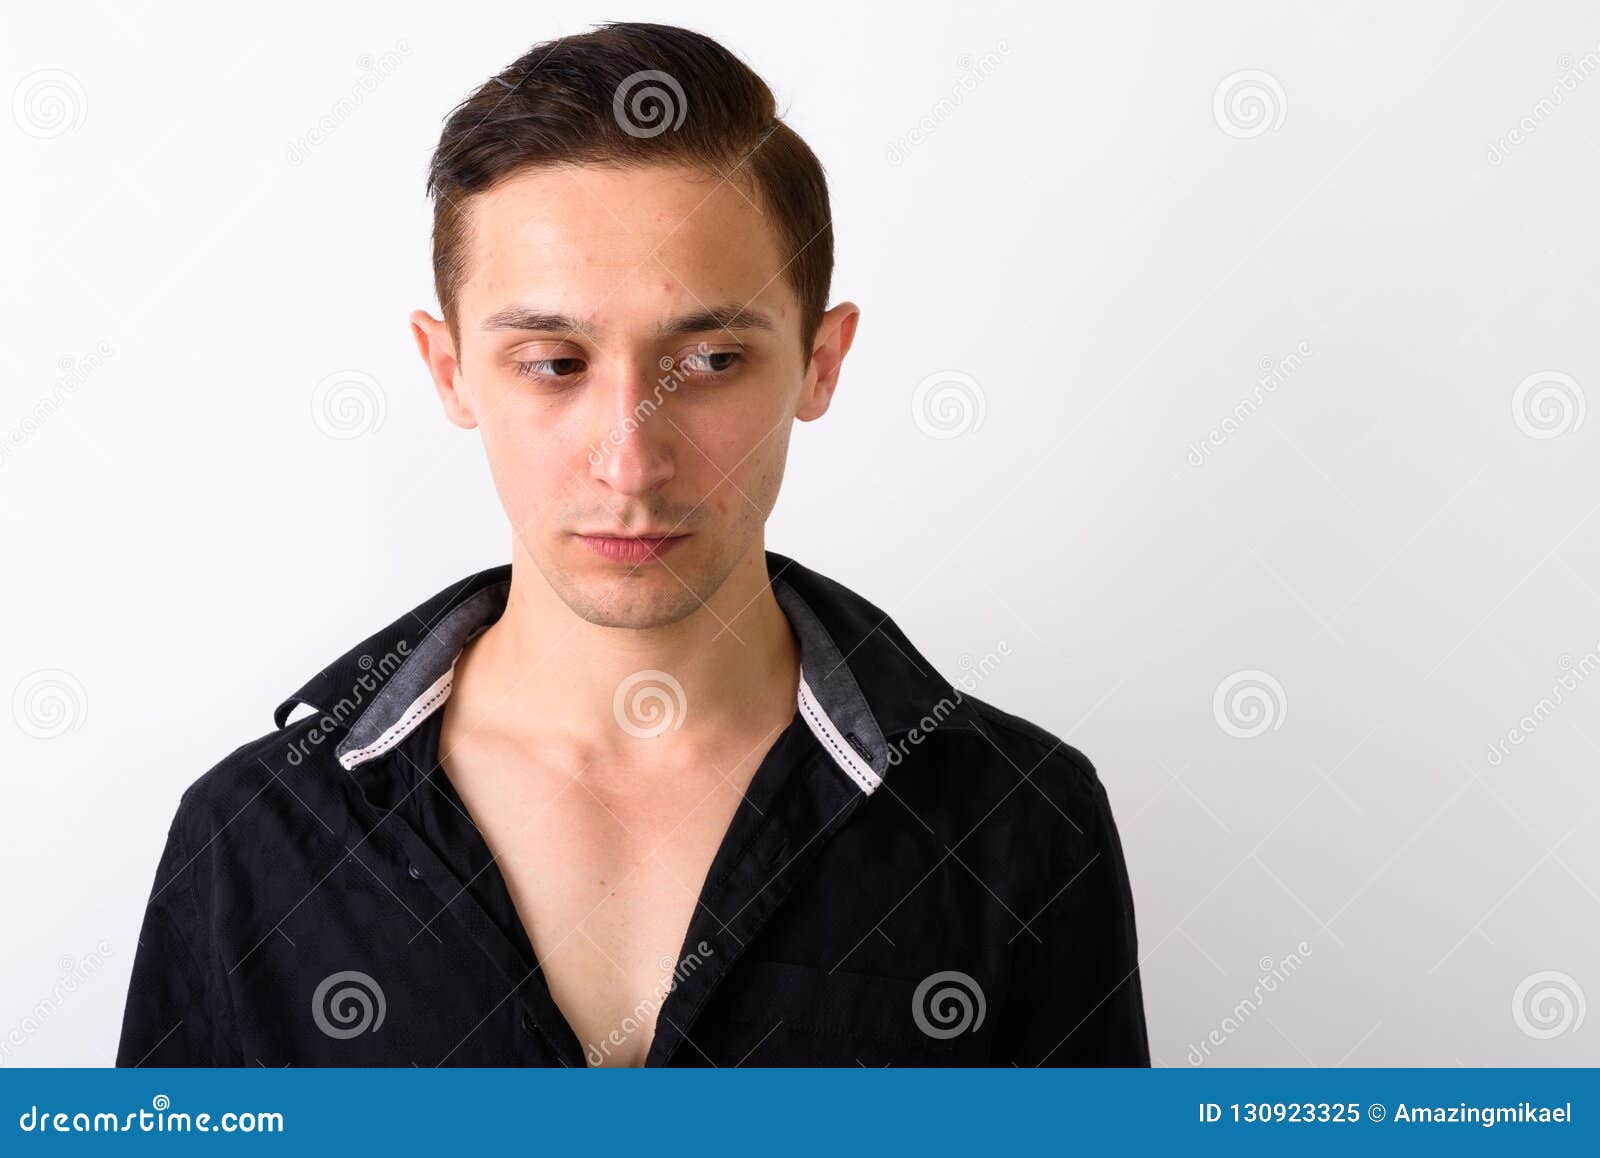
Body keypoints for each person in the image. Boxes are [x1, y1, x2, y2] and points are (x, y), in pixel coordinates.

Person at [117, 21, 1149, 1067]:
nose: (630, 459)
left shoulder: (1020, 822)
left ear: (820, 362)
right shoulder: (254, 835)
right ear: (449, 371)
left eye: (707, 360)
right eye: (555, 363)